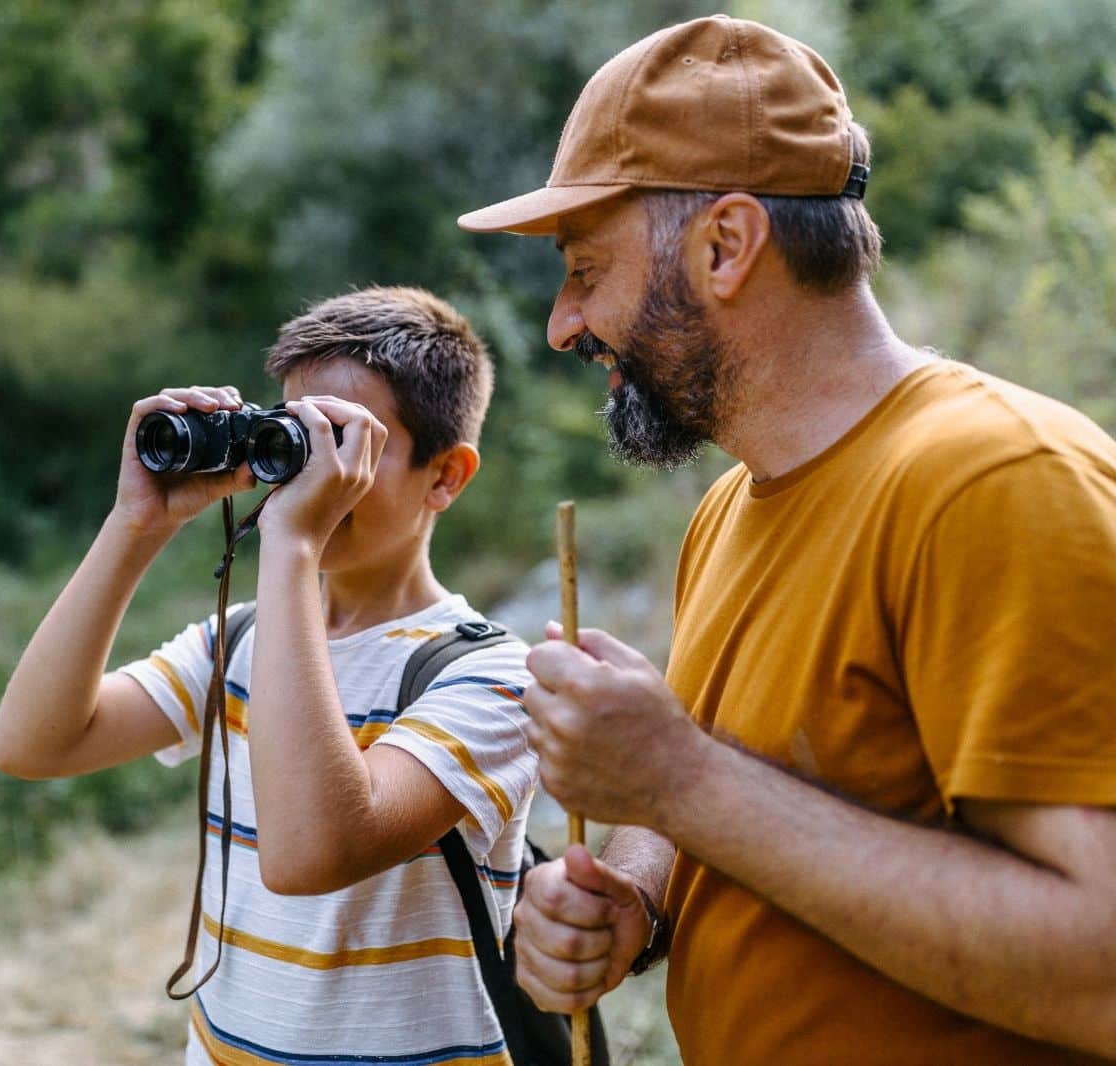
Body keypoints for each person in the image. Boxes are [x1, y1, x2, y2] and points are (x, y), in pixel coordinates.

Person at [457, 14, 1116, 1065]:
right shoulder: (731, 507)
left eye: (585, 269)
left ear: (725, 245)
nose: (562, 324)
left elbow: (1101, 969)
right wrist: (632, 893)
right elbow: (751, 795)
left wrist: (676, 778)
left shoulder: (993, 482)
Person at [0, 286, 540, 1065]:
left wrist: (291, 547)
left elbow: (308, 853)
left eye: (344, 440)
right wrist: (136, 524)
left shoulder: (490, 676)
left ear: (444, 476)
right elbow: (34, 743)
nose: (306, 472)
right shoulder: (242, 639)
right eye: (292, 434)